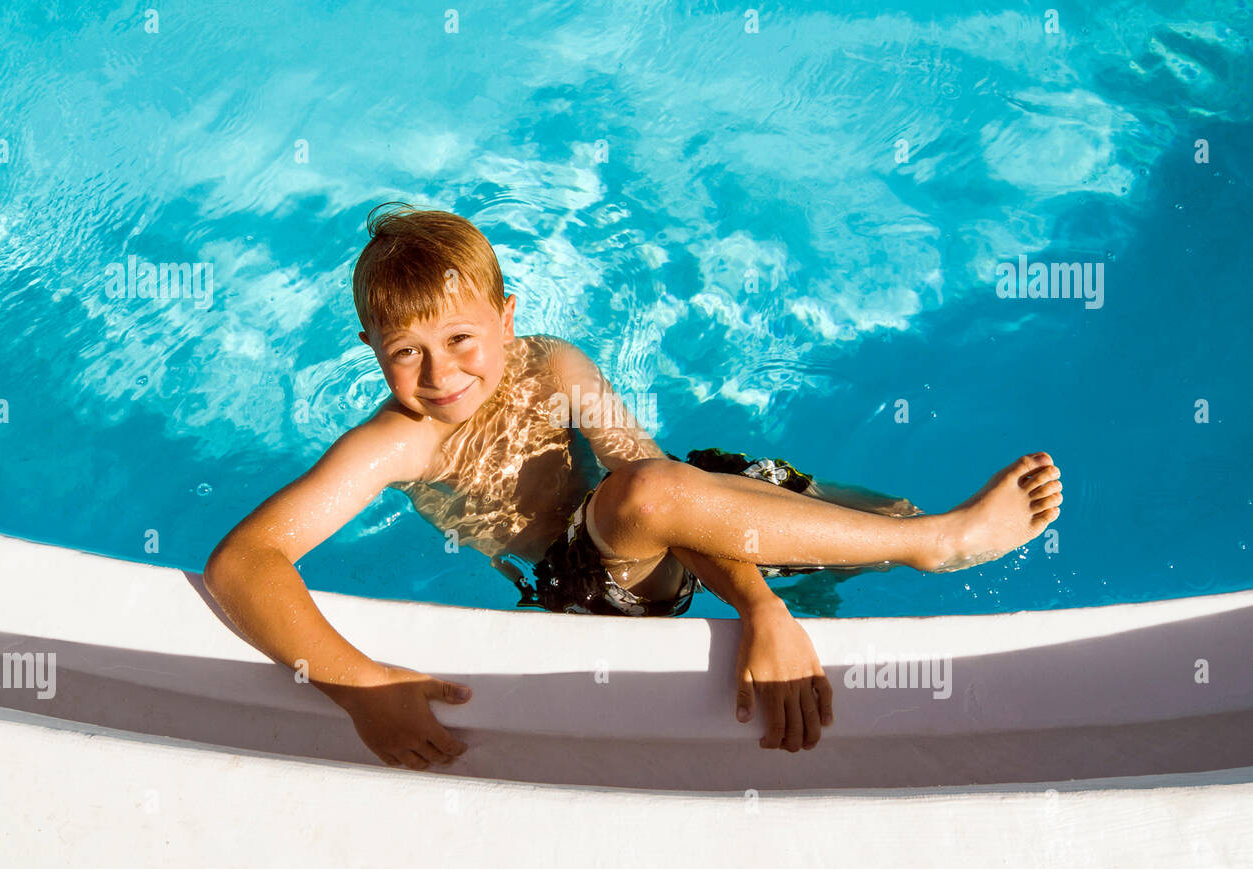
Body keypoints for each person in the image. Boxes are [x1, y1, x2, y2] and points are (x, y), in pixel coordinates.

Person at [204, 203, 1062, 770]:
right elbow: (244, 561)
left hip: (656, 519)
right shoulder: (398, 443)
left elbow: (663, 484)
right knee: (650, 495)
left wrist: (762, 608)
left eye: (462, 337)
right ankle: (937, 545)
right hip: (586, 586)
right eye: (406, 353)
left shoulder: (556, 366)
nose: (441, 373)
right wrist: (356, 685)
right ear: (371, 349)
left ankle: (876, 551)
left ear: (508, 315)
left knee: (862, 514)